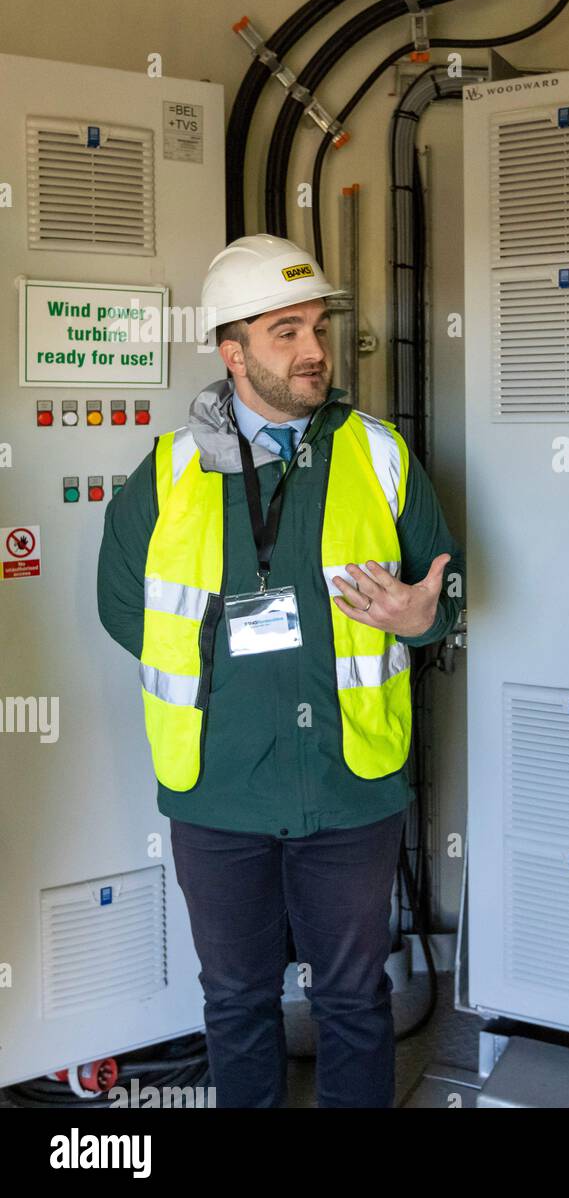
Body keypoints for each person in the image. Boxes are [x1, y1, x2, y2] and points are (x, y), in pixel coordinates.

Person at [97, 234, 463, 1108]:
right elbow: (124, 612)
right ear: (234, 353)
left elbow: (444, 588)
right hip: (218, 788)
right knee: (235, 1002)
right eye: (286, 332)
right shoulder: (168, 474)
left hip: (350, 784)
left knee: (351, 998)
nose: (314, 353)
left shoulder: (380, 456)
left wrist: (427, 618)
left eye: (320, 330)